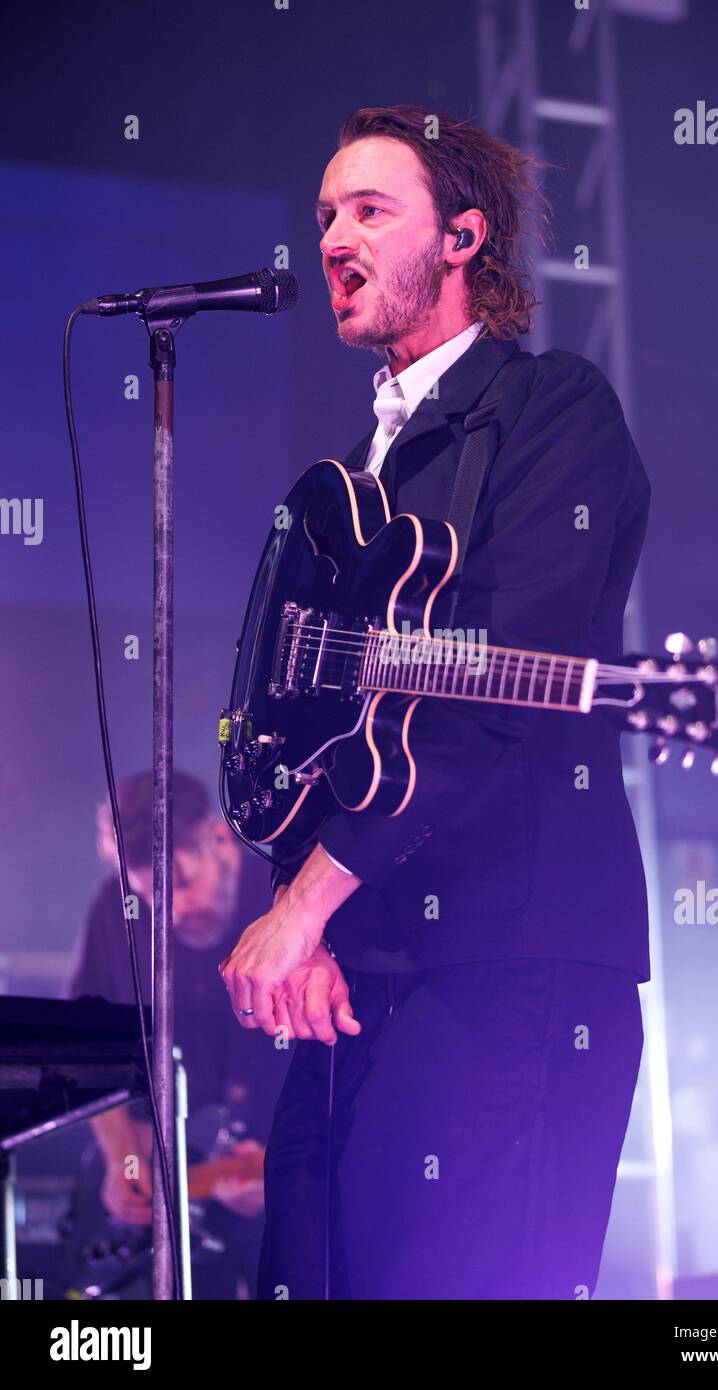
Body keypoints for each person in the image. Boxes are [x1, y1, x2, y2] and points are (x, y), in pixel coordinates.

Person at [220, 105, 651, 1300]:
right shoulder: (357, 475)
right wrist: (301, 907)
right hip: (365, 972)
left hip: (512, 969)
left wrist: (309, 903)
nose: (333, 238)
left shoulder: (552, 408)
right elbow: (307, 722)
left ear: (462, 237)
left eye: (370, 209)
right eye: (322, 217)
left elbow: (500, 688)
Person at [66, 770, 287, 1298]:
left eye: (182, 882)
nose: (174, 911)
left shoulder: (281, 899)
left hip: (264, 1177)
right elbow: (87, 1053)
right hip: (152, 1178)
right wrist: (123, 1160)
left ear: (216, 835)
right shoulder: (112, 909)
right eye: (151, 898)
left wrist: (278, 1169)